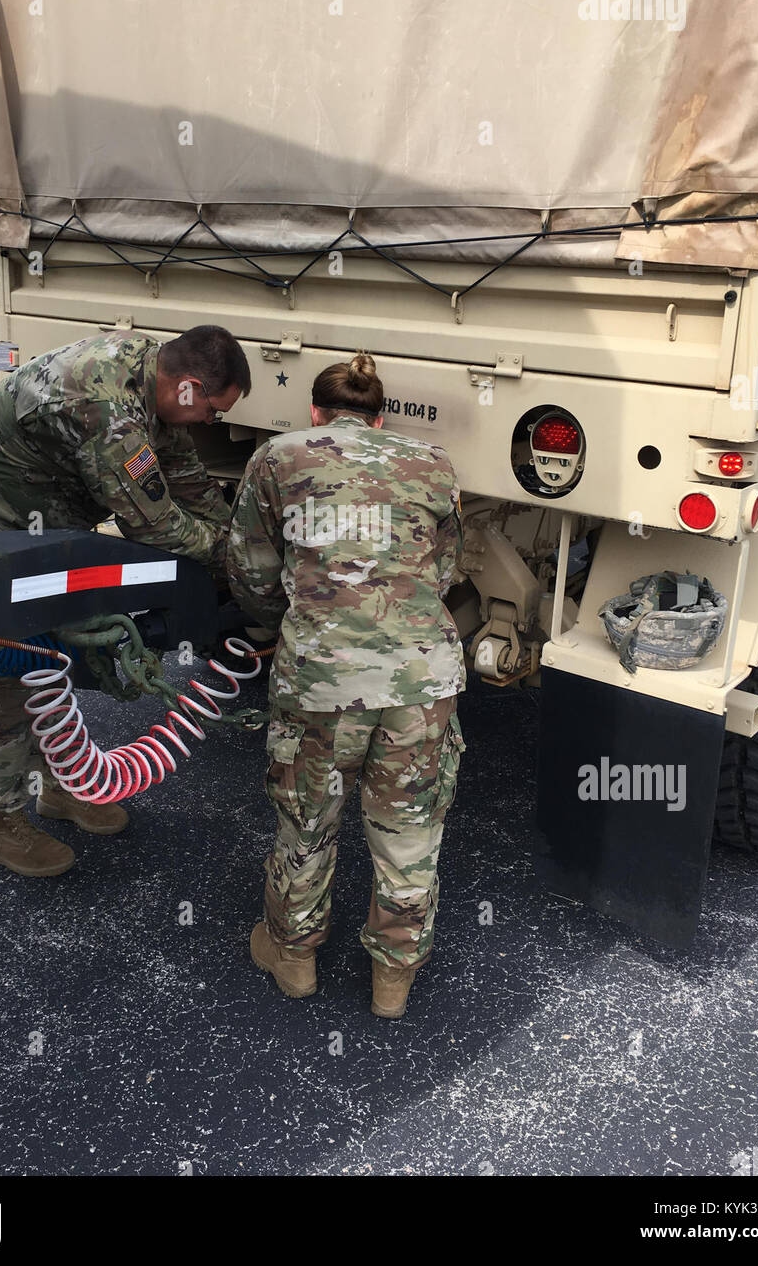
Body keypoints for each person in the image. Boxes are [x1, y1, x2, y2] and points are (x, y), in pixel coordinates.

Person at [0, 323, 251, 877]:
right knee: (0, 664)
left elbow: (185, 477)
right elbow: (154, 526)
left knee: (52, 653)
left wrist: (234, 535)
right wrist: (240, 564)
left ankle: (56, 784)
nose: (213, 423)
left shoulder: (151, 375)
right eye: (213, 411)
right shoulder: (108, 411)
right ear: (187, 387)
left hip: (49, 522)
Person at [227, 351, 466, 1018]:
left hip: (320, 680)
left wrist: (296, 618)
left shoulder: (278, 456)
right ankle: (393, 983)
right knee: (408, 836)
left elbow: (247, 566)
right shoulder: (434, 464)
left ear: (314, 412)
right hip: (422, 680)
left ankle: (293, 958)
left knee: (306, 823)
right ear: (380, 417)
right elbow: (444, 570)